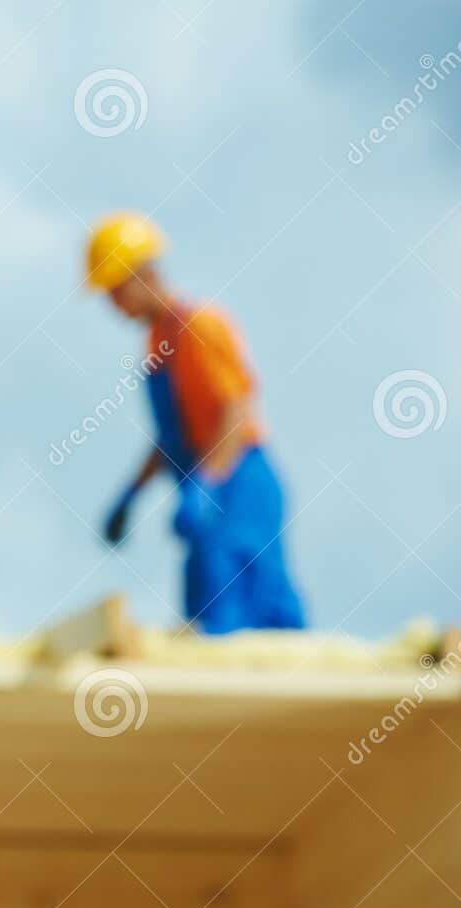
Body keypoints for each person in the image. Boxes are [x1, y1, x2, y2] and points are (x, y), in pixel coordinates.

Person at [86, 211, 306, 634]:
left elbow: (236, 409)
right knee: (206, 609)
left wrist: (208, 482)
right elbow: (170, 438)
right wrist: (131, 495)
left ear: (144, 275)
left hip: (242, 484)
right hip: (208, 494)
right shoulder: (157, 344)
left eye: (116, 291)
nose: (113, 304)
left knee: (254, 609)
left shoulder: (200, 326)